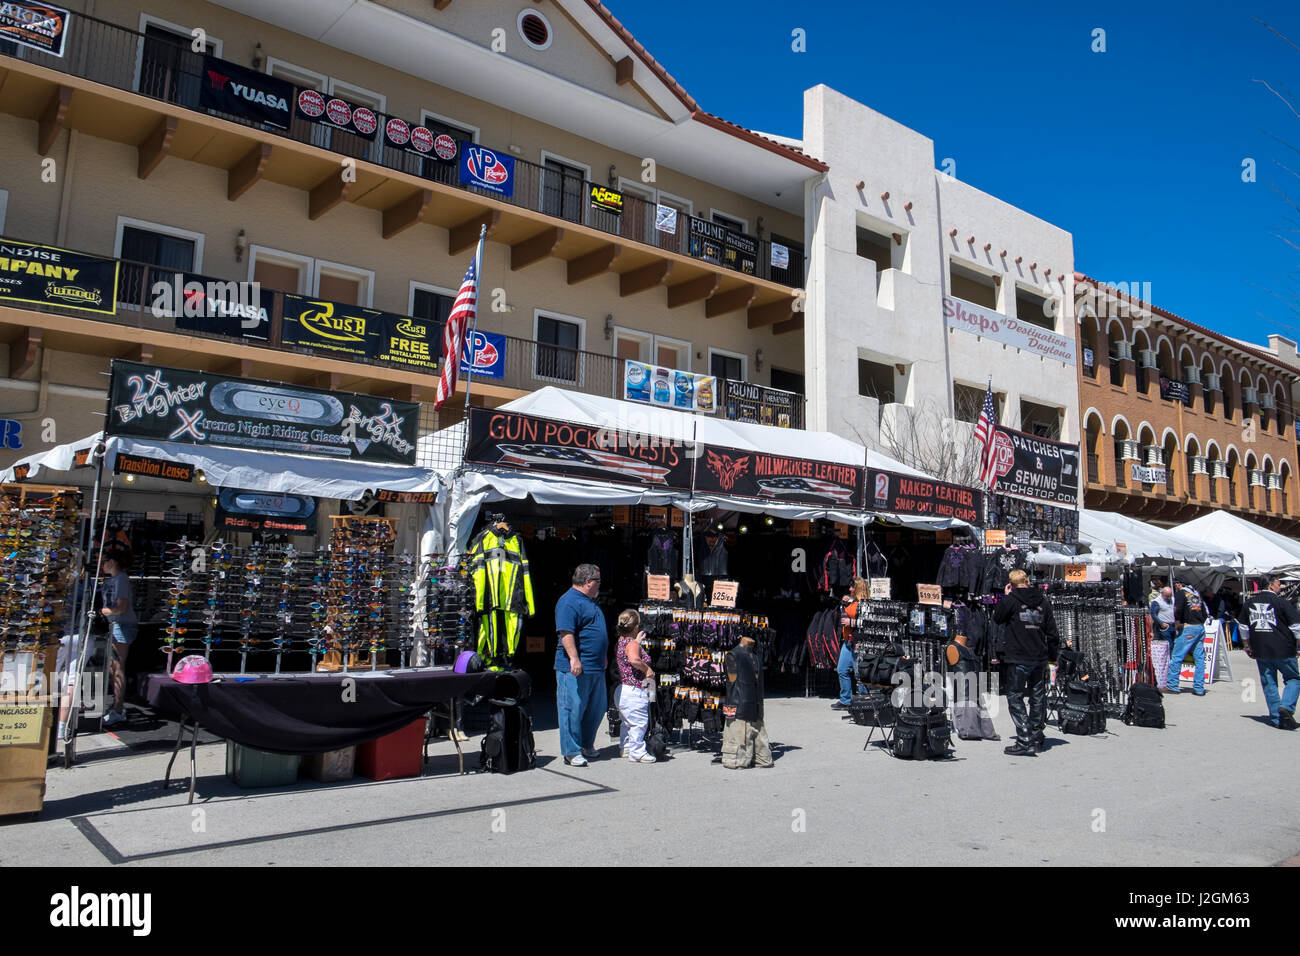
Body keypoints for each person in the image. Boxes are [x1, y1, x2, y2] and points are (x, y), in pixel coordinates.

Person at [993, 569, 1060, 756]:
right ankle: (1037, 736)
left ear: (1011, 584)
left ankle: (1025, 739)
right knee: (1037, 696)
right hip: (1039, 657)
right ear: (1028, 581)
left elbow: (997, 618)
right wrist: (1053, 658)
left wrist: (1006, 596)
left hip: (1018, 656)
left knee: (1015, 696)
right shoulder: (1043, 601)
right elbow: (1053, 634)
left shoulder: (1011, 600)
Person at [554, 564, 608, 767]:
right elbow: (566, 632)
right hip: (576, 667)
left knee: (597, 707)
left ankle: (586, 744)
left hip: (595, 667)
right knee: (572, 708)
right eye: (598, 581)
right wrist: (574, 658)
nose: (600, 585)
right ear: (588, 582)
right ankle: (571, 751)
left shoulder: (589, 601)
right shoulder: (569, 601)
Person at [1238, 575, 1300, 730]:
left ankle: (1277, 718)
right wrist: (1298, 646)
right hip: (1284, 648)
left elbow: (1243, 627)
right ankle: (1286, 707)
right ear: (1271, 586)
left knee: (1269, 683)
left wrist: (1247, 645)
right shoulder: (1281, 603)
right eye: (1279, 584)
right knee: (1294, 678)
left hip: (1261, 649)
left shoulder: (1249, 603)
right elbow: (1296, 627)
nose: (1281, 587)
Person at [721, 633, 771, 769]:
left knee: (764, 757)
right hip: (739, 708)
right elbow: (731, 682)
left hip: (756, 707)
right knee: (738, 756)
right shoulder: (733, 655)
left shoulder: (756, 656)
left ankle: (757, 757)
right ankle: (741, 757)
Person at [99, 555, 137, 728]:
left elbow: (122, 608)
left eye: (103, 562)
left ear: (112, 562)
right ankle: (116, 706)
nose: (101, 565)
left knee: (118, 667)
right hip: (114, 626)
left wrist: (105, 611)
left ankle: (118, 709)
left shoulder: (121, 579)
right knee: (113, 667)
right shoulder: (113, 580)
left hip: (121, 626)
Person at [613, 610, 656, 763]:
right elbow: (634, 659)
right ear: (636, 626)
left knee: (626, 722)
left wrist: (637, 641)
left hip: (623, 689)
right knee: (639, 723)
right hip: (634, 689)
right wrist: (647, 669)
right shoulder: (631, 644)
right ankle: (637, 752)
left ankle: (626, 748)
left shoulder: (622, 641)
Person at [946, 633, 999, 741]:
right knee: (970, 716)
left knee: (979, 709)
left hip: (973, 690)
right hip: (963, 692)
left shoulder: (968, 649)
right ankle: (971, 730)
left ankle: (982, 731)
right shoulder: (953, 648)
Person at [1166, 579, 1208, 696]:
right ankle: (1199, 688)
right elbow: (1205, 612)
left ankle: (1172, 685)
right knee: (1199, 659)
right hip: (1199, 627)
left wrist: (1178, 621)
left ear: (1179, 584)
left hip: (1188, 627)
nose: (1175, 587)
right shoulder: (1196, 594)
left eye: (1175, 584)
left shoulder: (1181, 593)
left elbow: (1176, 609)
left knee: (1177, 656)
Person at [832, 577, 869, 711]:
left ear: (858, 588)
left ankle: (864, 699)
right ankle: (846, 700)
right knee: (842, 669)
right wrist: (843, 603)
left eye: (853, 587)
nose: (850, 589)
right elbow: (843, 614)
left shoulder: (865, 604)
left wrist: (852, 623)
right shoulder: (852, 601)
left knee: (859, 673)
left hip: (858, 642)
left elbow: (869, 623)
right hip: (847, 641)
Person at [1148, 585, 1177, 685]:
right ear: (1162, 594)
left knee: (1173, 647)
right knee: (1168, 648)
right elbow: (1153, 614)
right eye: (1166, 596)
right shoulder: (1157, 601)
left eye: (1169, 596)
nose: (1168, 598)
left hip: (1173, 625)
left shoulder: (1172, 599)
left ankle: (1172, 671)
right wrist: (1161, 623)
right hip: (1164, 627)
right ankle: (1167, 672)